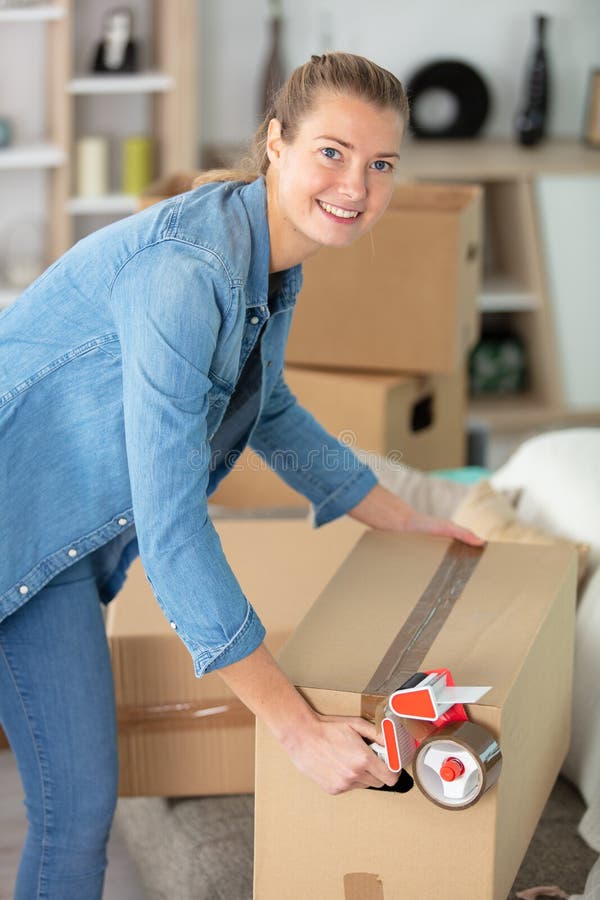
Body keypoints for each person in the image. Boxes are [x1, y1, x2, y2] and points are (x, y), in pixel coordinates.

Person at [0, 52, 482, 899]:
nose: (356, 186)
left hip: (52, 548)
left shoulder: (262, 252)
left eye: (380, 165)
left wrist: (397, 515)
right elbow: (174, 525)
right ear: (275, 143)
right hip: (18, 527)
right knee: (73, 818)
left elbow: (267, 405)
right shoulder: (187, 275)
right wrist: (293, 726)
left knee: (76, 816)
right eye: (331, 152)